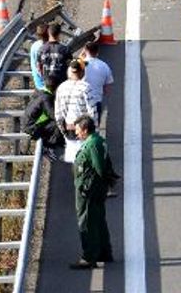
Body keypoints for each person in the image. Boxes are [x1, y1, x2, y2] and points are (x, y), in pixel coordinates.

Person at [70, 115, 117, 270]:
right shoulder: (96, 141)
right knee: (98, 220)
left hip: (89, 191)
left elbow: (100, 168)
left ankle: (88, 257)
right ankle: (104, 252)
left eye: (78, 131)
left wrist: (97, 187)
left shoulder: (92, 145)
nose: (76, 134)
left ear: (85, 130)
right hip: (94, 189)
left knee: (87, 222)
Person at [23, 72, 65, 160]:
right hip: (33, 128)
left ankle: (58, 141)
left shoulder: (40, 92)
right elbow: (53, 115)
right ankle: (48, 147)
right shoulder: (46, 98)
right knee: (57, 123)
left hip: (28, 124)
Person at [78, 41, 114, 128]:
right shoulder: (104, 66)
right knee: (94, 126)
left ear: (85, 51)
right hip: (96, 101)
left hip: (81, 100)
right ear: (97, 52)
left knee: (80, 126)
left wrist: (81, 55)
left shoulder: (80, 64)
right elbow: (108, 87)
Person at [55, 60, 94, 137]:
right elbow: (92, 111)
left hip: (68, 129)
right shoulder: (86, 87)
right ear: (82, 72)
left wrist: (63, 131)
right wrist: (93, 132)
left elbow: (58, 115)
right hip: (84, 130)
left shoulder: (61, 87)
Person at [28, 21, 49, 90]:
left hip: (38, 82)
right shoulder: (49, 47)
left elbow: (34, 65)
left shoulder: (34, 46)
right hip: (47, 83)